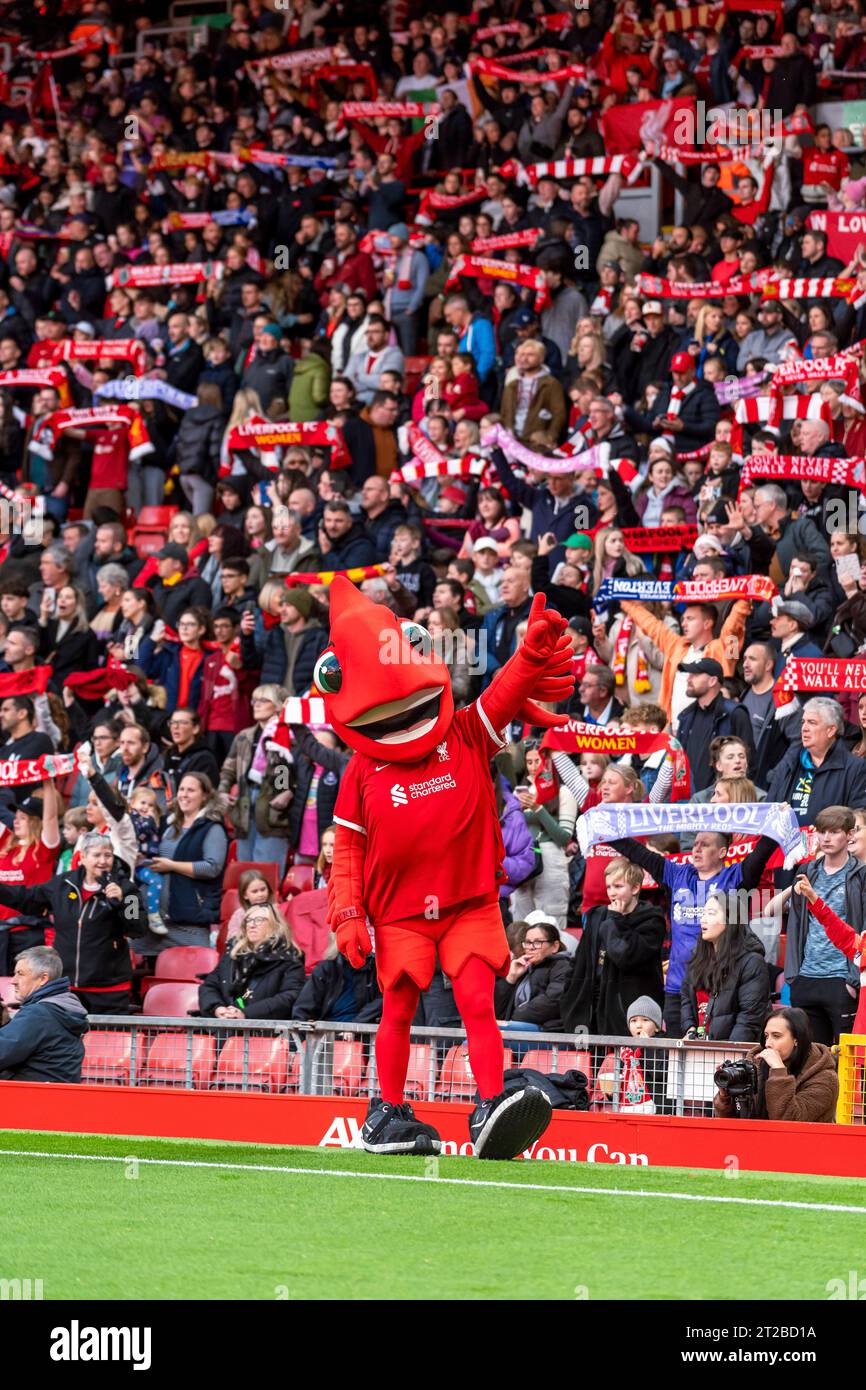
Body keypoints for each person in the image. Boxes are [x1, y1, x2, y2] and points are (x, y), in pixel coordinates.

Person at [0, 832, 144, 1013]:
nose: (103, 860)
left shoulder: (127, 889)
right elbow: (27, 898)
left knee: (107, 1040)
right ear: (83, 857)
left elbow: (137, 928)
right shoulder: (63, 883)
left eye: (108, 855)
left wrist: (122, 903)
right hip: (66, 988)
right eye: (96, 855)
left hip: (109, 989)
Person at [784, 806, 864, 1045]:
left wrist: (852, 980)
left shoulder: (861, 874)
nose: (826, 838)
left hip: (842, 979)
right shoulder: (807, 871)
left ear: (850, 834)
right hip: (806, 978)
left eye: (834, 831)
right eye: (821, 831)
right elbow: (796, 923)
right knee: (809, 1060)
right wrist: (794, 977)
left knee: (845, 1061)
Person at [562, 858, 665, 1036]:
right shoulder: (596, 915)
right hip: (589, 1008)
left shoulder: (652, 919)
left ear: (635, 888)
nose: (612, 893)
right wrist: (568, 998)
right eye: (609, 887)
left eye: (618, 886)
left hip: (627, 1011)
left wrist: (614, 920)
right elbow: (580, 960)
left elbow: (625, 956)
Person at [135, 773, 228, 954]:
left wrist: (172, 866)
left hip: (188, 923)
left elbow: (212, 867)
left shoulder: (213, 828)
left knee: (193, 975)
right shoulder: (168, 825)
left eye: (191, 790)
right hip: (155, 922)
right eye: (182, 789)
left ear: (205, 796)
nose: (184, 794)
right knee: (131, 961)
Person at [713, 1006, 839, 1123]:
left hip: (804, 1145)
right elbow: (730, 1124)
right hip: (756, 1144)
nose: (768, 1043)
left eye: (776, 1036)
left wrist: (779, 1071)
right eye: (766, 1036)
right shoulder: (756, 1066)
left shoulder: (825, 1078)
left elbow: (787, 1121)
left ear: (797, 1039)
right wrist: (725, 1097)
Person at [219, 684, 294, 872]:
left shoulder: (289, 735)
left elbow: (291, 770)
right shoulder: (244, 736)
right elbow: (228, 769)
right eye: (255, 700)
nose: (256, 705)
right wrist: (222, 791)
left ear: (278, 706)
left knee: (266, 873)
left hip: (273, 809)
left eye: (263, 700)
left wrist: (287, 790)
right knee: (245, 872)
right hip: (244, 806)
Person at [681, 890, 770, 1041]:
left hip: (730, 1054)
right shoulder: (699, 957)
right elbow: (686, 998)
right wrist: (690, 1029)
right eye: (703, 913)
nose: (703, 919)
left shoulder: (752, 962)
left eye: (711, 913)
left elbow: (749, 1018)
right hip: (699, 1049)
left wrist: (727, 1056)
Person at [198, 902, 306, 1021]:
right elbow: (209, 986)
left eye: (259, 920)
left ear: (275, 925)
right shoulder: (233, 954)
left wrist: (246, 1014)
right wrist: (217, 1008)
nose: (251, 925)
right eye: (248, 920)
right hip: (226, 1027)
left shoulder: (289, 959)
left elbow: (290, 996)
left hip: (265, 1032)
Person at [0, 946, 87, 1083]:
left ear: (43, 979)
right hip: (51, 1096)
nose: (13, 980)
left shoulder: (39, 1014)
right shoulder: (59, 1009)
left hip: (30, 1098)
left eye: (20, 974)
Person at [493, 917, 573, 1036]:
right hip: (518, 1026)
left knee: (485, 1039)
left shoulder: (564, 967)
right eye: (528, 942)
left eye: (537, 943)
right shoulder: (524, 967)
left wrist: (513, 1018)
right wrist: (511, 978)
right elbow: (497, 1012)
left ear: (555, 946)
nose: (530, 947)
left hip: (548, 1033)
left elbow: (552, 1002)